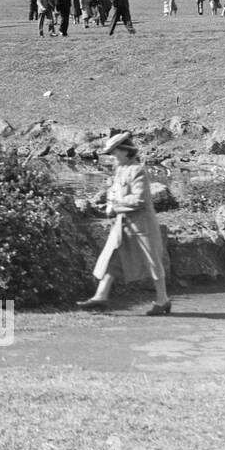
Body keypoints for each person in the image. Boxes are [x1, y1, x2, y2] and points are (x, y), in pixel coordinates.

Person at [77, 133, 172, 315]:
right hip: (123, 224)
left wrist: (116, 205)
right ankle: (100, 297)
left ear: (126, 151)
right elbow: (115, 192)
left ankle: (163, 300)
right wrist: (108, 203)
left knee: (153, 262)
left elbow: (140, 199)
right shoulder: (121, 170)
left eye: (115, 152)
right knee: (111, 258)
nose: (113, 156)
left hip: (142, 226)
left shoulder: (137, 170)